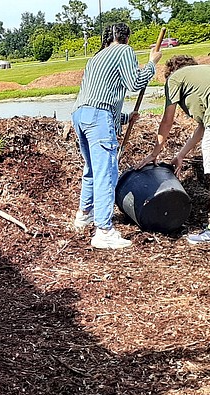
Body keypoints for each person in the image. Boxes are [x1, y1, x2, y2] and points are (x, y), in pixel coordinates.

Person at [139, 55, 210, 244]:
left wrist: (154, 153)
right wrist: (181, 155)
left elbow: (167, 120)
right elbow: (203, 126)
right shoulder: (206, 75)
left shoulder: (175, 78)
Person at [71, 23, 161, 250]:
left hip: (80, 116)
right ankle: (104, 231)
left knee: (91, 169)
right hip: (97, 117)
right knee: (106, 173)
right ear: (126, 37)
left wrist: (124, 118)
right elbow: (135, 83)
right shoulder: (124, 51)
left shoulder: (96, 57)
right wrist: (152, 63)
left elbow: (97, 99)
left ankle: (84, 214)